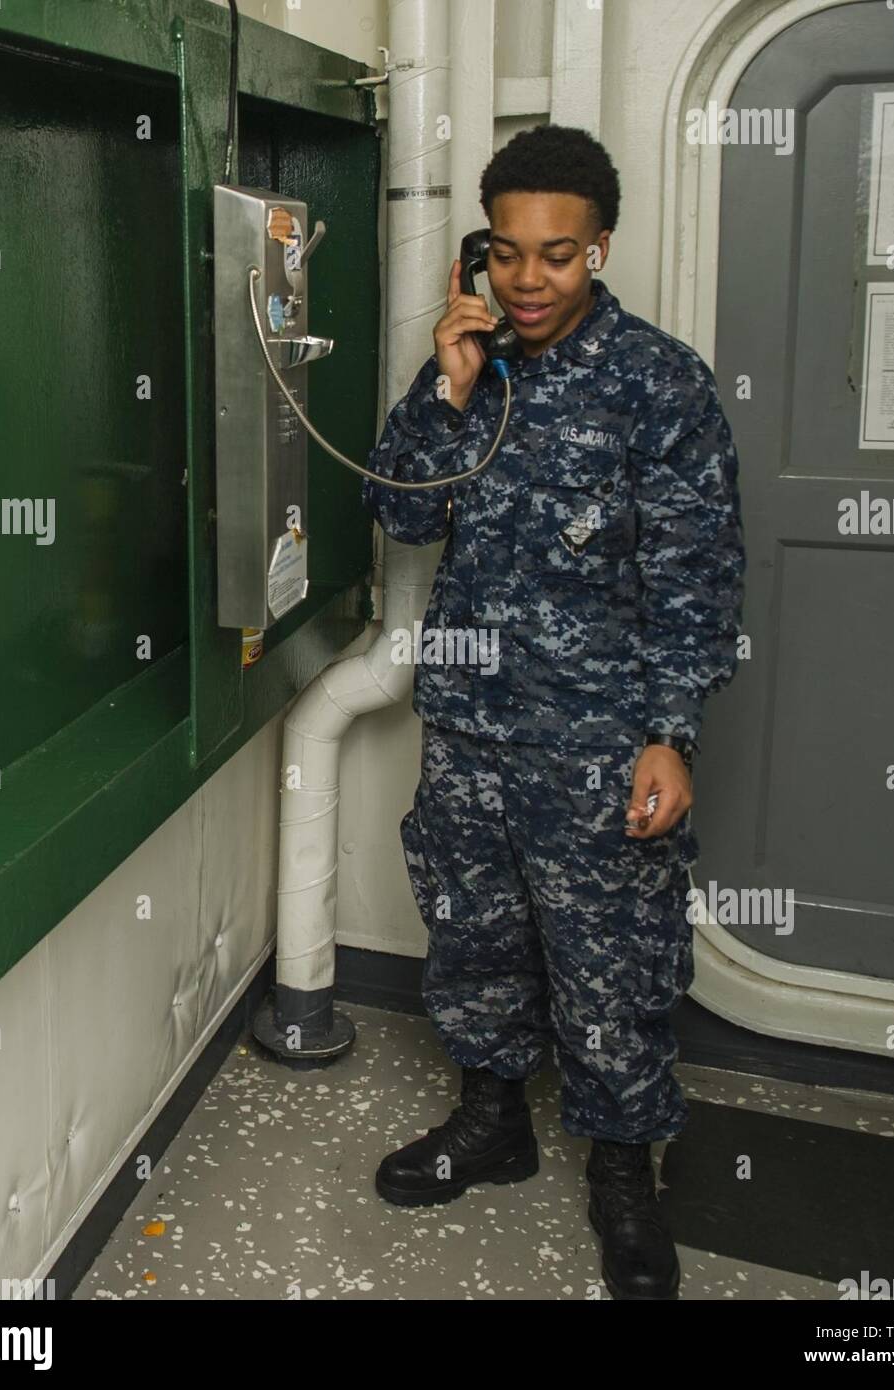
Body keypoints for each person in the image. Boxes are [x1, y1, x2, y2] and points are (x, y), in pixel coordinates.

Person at [360, 124, 746, 1300]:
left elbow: (697, 574)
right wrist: (446, 386)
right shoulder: (469, 366)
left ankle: (625, 1178)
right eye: (508, 254)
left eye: (557, 256)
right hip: (473, 722)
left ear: (599, 249)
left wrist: (669, 732)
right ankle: (493, 1122)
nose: (528, 282)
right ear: (482, 249)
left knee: (610, 964)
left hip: (599, 738)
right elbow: (401, 517)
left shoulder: (658, 382)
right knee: (473, 935)